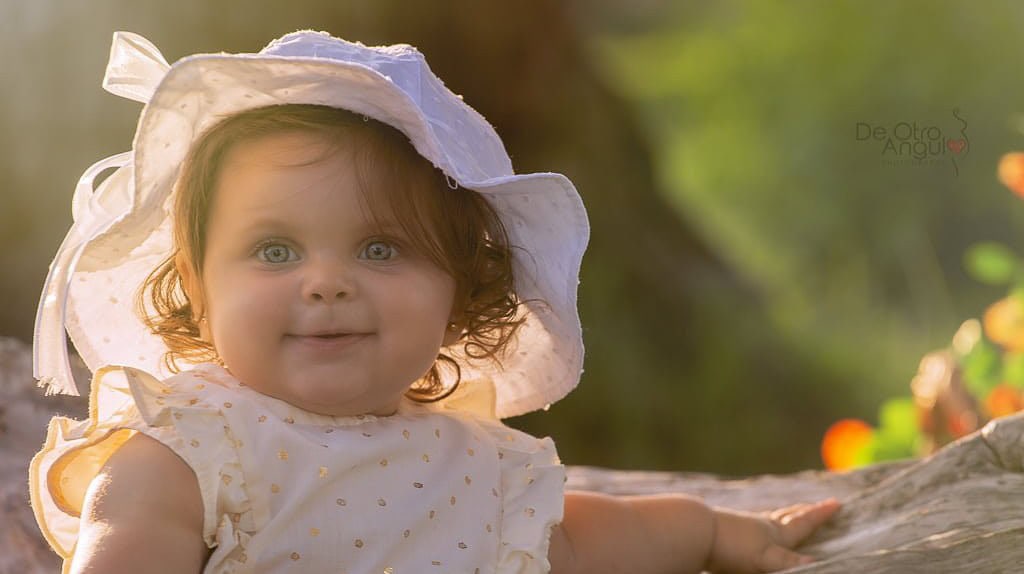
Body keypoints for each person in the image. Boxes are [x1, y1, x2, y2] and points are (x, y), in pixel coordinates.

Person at [29, 30, 840, 574]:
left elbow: (588, 537)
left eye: (381, 248)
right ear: (199, 292)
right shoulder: (188, 449)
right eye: (274, 250)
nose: (326, 281)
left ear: (461, 293)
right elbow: (123, 546)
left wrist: (715, 531)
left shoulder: (476, 467)